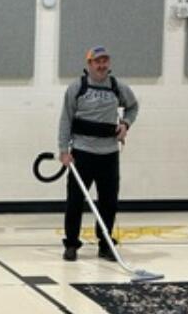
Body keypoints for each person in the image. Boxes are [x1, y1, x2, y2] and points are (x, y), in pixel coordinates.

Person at [57, 46, 139, 263]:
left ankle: (105, 244)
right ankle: (72, 244)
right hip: (82, 153)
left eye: (105, 61)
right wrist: (63, 150)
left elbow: (133, 107)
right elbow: (66, 119)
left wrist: (126, 124)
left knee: (109, 202)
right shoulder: (77, 87)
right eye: (97, 61)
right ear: (89, 64)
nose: (102, 65)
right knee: (75, 200)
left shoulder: (116, 87)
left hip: (109, 154)